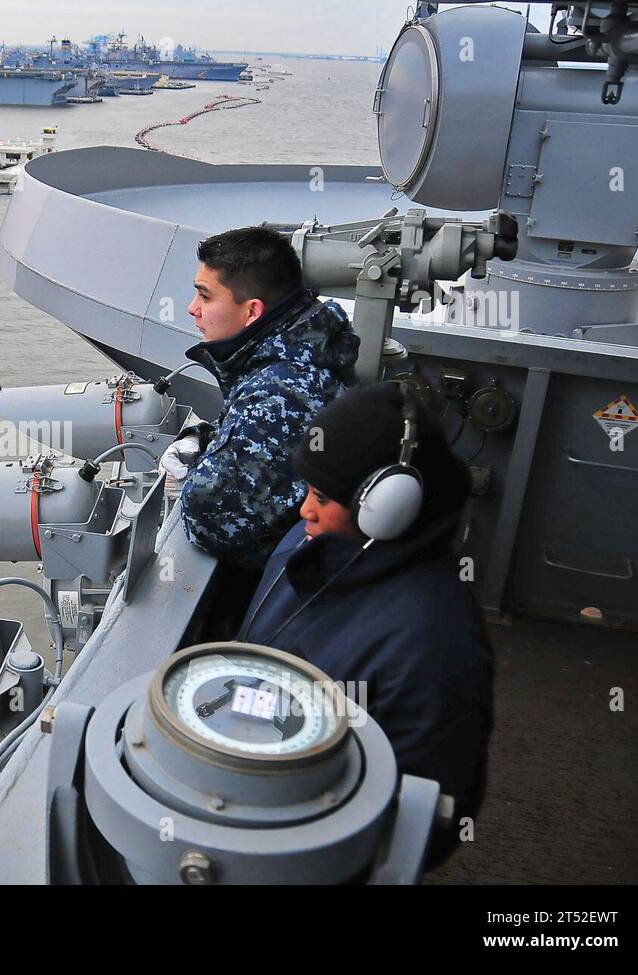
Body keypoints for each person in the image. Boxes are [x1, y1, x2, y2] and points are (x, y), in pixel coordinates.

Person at [237, 381, 494, 867]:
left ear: (387, 509)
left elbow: (425, 816)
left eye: (320, 496)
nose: (303, 509)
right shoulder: (307, 544)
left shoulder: (434, 644)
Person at [161, 224, 359, 619]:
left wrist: (184, 477)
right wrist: (206, 439)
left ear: (252, 311)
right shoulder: (301, 349)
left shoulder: (279, 390)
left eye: (204, 295)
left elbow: (212, 518)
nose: (191, 308)